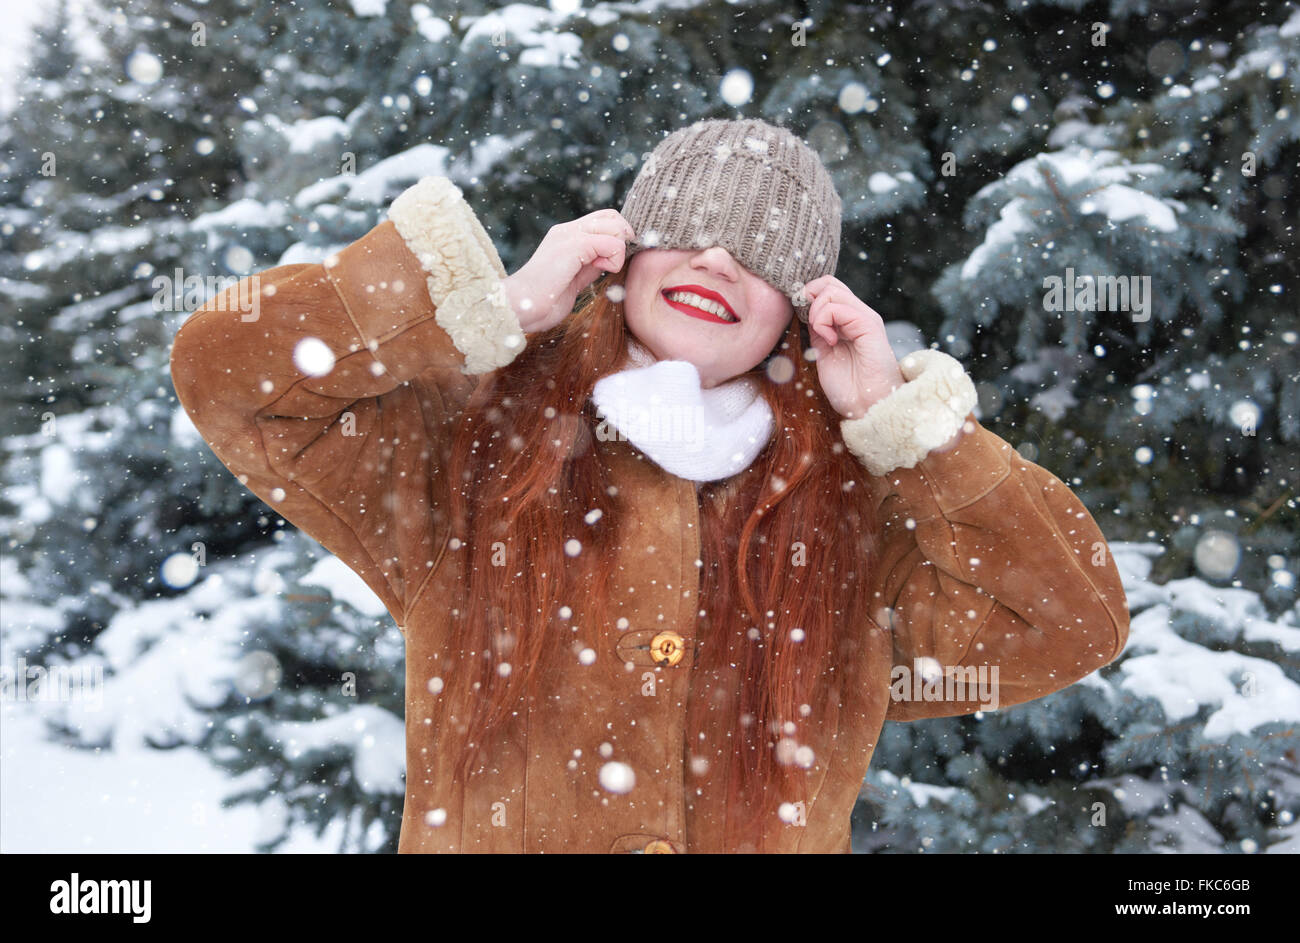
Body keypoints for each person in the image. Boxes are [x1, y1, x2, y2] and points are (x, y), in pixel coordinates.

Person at [171, 117, 1130, 853]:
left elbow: (1067, 620)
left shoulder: (851, 515)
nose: (719, 259)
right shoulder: (473, 443)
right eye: (691, 231)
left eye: (762, 255)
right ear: (623, 260)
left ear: (795, 319)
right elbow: (227, 370)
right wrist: (493, 309)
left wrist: (905, 431)